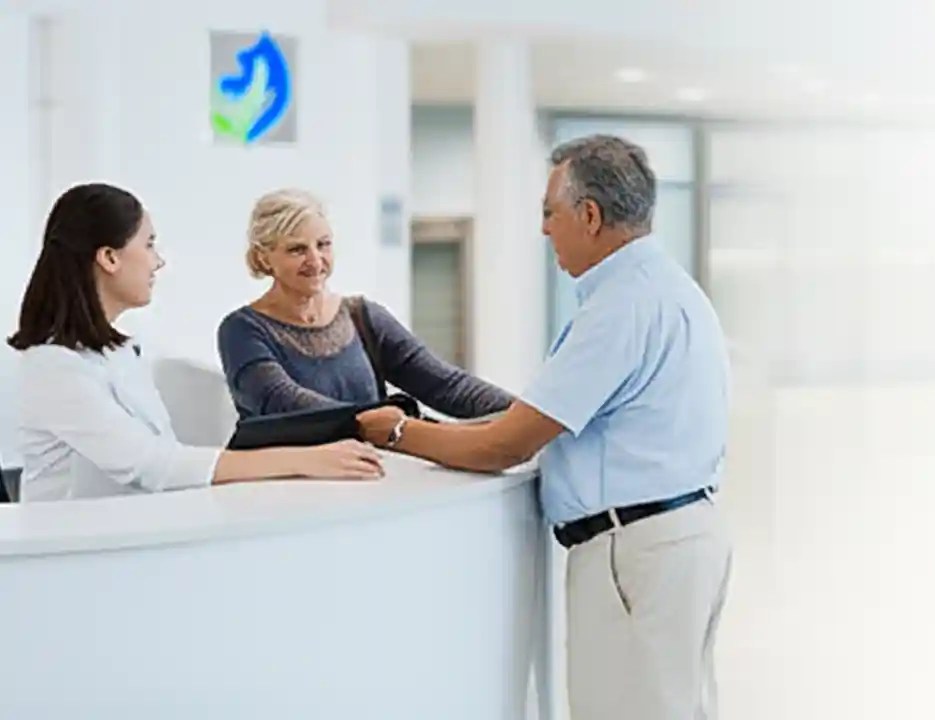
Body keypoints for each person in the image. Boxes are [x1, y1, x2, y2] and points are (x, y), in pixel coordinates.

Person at [355, 135, 733, 719]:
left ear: (589, 215)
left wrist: (398, 432)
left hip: (635, 553)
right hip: (684, 539)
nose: (544, 230)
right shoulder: (668, 288)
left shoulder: (620, 307)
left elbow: (507, 443)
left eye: (548, 213)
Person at [9, 183, 384, 502]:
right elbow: (151, 465)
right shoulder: (53, 366)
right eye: (149, 244)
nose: (158, 262)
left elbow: (167, 459)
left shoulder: (119, 352)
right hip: (69, 561)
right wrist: (305, 460)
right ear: (109, 257)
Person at [217, 189, 511, 420]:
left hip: (367, 485)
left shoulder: (363, 317)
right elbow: (281, 401)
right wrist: (385, 424)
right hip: (284, 489)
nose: (316, 260)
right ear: (264, 257)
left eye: (323, 244)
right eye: (297, 249)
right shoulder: (242, 330)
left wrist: (527, 415)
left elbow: (447, 386)